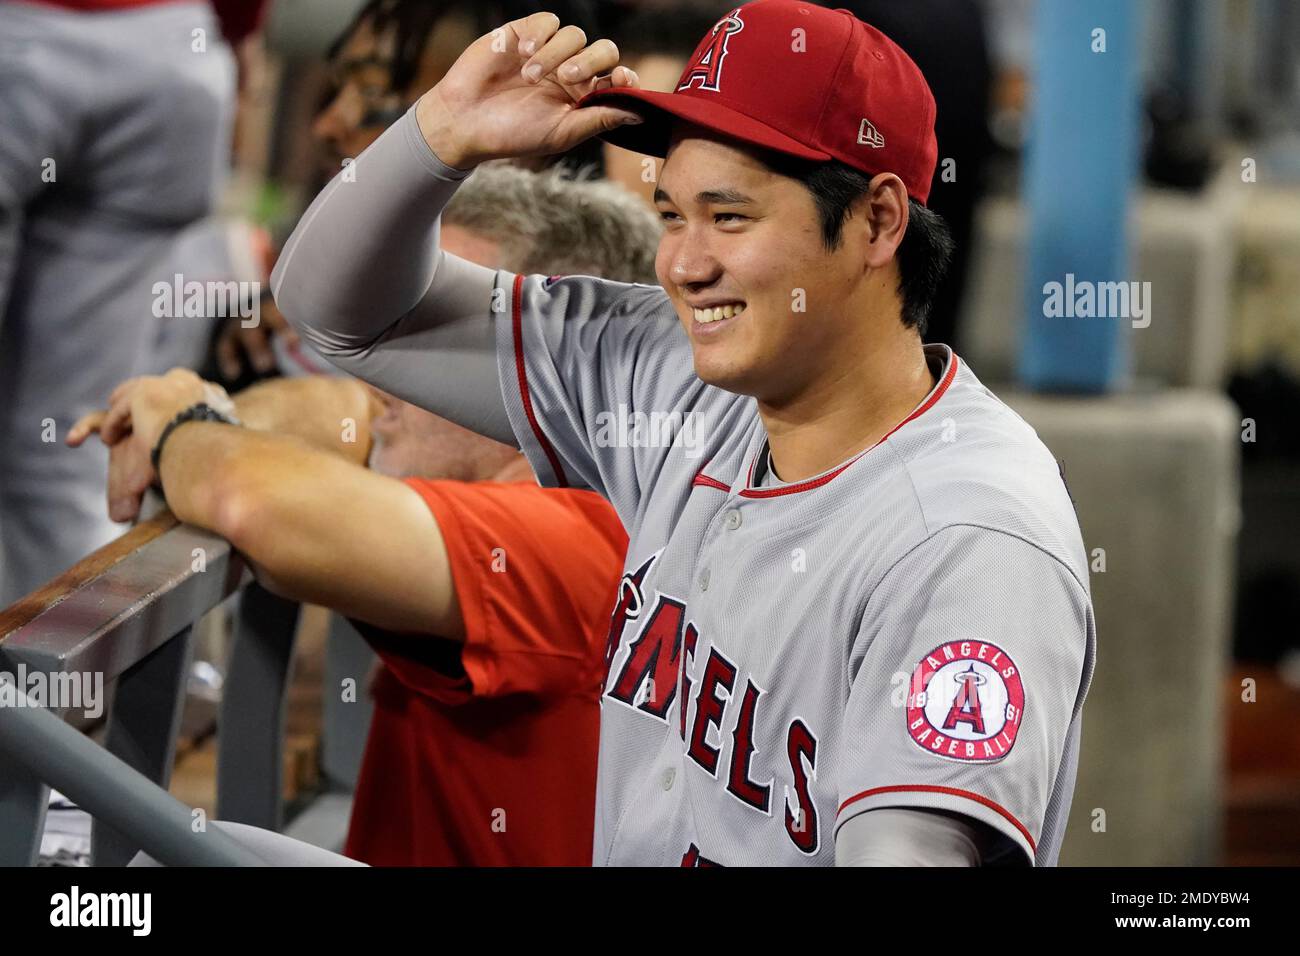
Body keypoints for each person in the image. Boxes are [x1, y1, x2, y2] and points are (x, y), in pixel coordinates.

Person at [270, 1, 1097, 867]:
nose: (684, 264)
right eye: (671, 215)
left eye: (728, 217)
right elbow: (339, 315)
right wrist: (436, 136)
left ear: (878, 222)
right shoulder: (674, 378)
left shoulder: (970, 538)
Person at [69, 163, 662, 866]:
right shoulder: (476, 468)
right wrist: (210, 426)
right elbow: (324, 416)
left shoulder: (589, 527)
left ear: (551, 368)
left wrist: (181, 423)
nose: (384, 377)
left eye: (428, 338)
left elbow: (256, 502)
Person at [0, 0, 237, 604]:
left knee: (69, 442)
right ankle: (54, 697)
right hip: (171, 53)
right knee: (64, 453)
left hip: (22, 34)